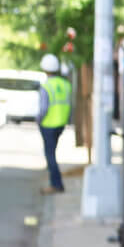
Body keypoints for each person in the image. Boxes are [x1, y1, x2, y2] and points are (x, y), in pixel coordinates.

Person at [37, 53, 70, 194]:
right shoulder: (65, 84)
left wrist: (38, 120)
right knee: (52, 154)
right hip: (61, 124)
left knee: (50, 155)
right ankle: (54, 180)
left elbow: (43, 109)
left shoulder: (46, 86)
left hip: (48, 124)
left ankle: (56, 184)